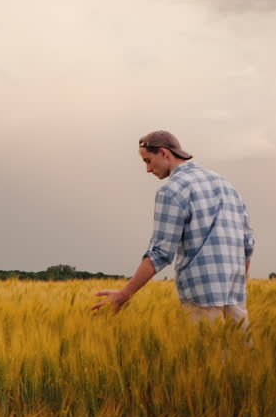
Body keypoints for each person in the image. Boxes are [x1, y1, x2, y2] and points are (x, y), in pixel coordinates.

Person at [92, 130, 254, 329]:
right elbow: (248, 243)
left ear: (164, 153)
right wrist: (237, 281)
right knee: (243, 356)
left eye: (148, 161)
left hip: (200, 295)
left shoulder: (172, 190)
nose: (148, 170)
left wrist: (124, 295)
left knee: (207, 358)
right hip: (235, 293)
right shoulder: (225, 184)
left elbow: (160, 253)